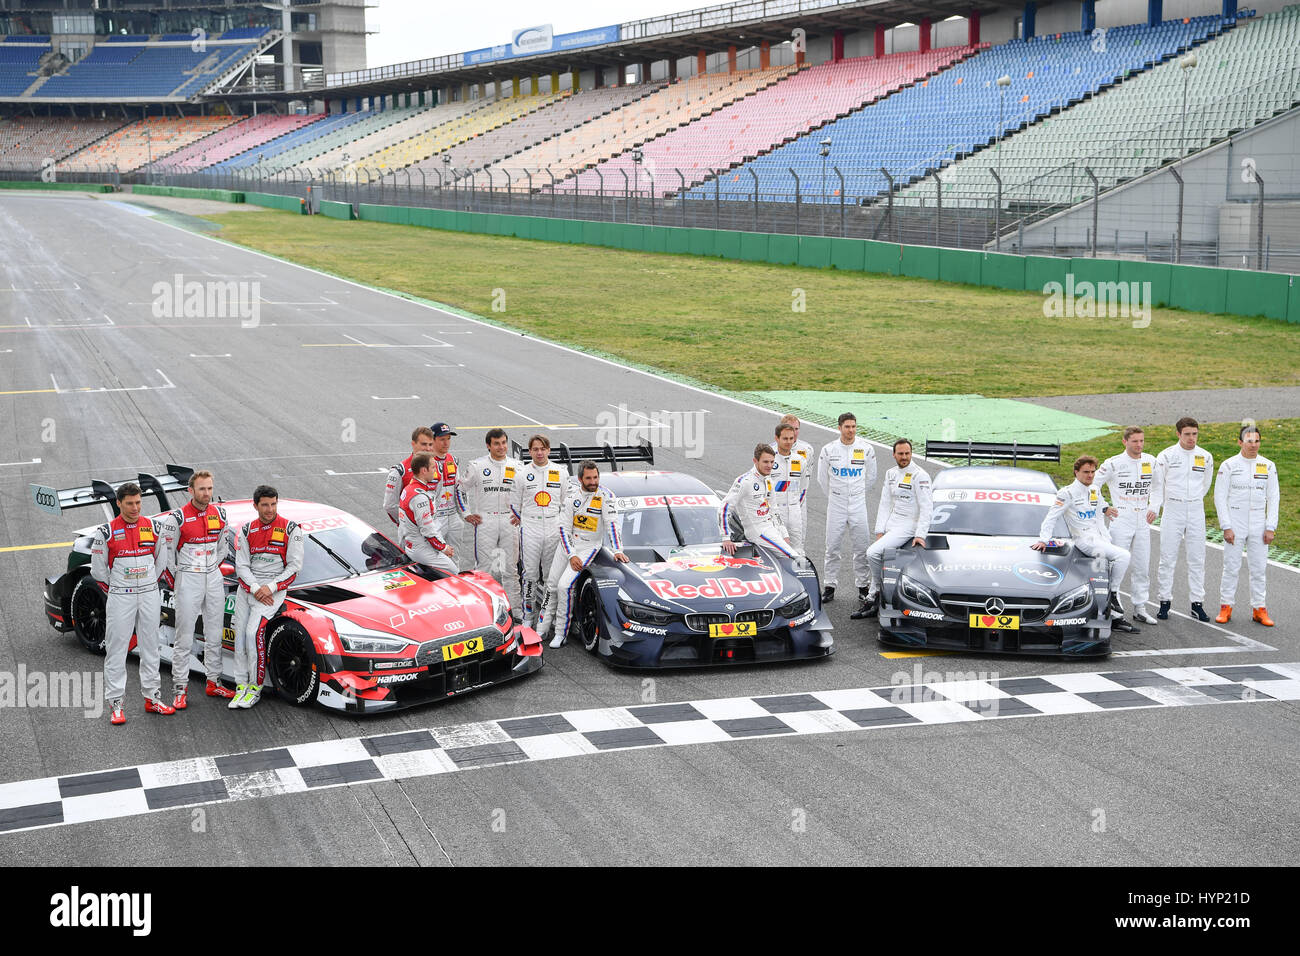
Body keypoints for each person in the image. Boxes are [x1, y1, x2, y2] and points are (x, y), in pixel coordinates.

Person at [90, 483, 172, 724]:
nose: (135, 508)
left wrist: (146, 585)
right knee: (116, 649)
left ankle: (153, 697)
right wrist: (117, 588)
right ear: (118, 503)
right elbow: (98, 571)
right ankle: (116, 704)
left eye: (138, 502)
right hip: (120, 596)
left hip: (149, 594)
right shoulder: (105, 532)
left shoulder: (154, 527)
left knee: (151, 647)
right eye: (129, 503)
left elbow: (161, 562)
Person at [1032, 456, 1136, 632]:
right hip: (1084, 540)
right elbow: (1051, 517)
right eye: (1086, 472)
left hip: (1101, 538)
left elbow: (1100, 508)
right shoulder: (1067, 493)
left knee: (1108, 574)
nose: (1090, 475)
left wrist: (1107, 509)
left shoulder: (1095, 489)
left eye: (1093, 471)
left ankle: (1115, 617)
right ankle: (1114, 595)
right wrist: (1043, 539)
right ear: (1076, 472)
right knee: (1123, 556)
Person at [159, 469, 234, 706]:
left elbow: (223, 548)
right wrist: (176, 579)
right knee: (184, 636)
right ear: (190, 491)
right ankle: (180, 689)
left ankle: (214, 683)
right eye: (202, 489)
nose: (207, 493)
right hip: (188, 578)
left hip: (212, 576)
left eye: (210, 488)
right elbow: (166, 555)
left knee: (214, 634)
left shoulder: (220, 514)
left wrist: (212, 568)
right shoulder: (177, 518)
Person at [538, 461, 628, 648]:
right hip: (567, 546)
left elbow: (612, 524)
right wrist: (571, 554)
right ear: (580, 479)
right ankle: (542, 628)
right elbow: (563, 528)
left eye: (595, 477)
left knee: (564, 586)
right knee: (551, 585)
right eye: (588, 478)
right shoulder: (571, 496)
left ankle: (561, 633)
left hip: (588, 547)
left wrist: (618, 549)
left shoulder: (606, 496)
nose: (593, 481)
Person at [230, 485, 303, 710]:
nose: (270, 509)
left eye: (273, 504)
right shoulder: (246, 530)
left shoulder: (291, 529)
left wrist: (269, 588)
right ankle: (241, 685)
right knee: (240, 636)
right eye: (265, 505)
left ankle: (256, 687)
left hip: (273, 591)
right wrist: (255, 588)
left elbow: (295, 566)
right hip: (249, 590)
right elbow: (240, 566)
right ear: (255, 506)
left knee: (253, 633)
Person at [856, 439, 931, 619]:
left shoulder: (920, 475)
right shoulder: (890, 474)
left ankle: (875, 593)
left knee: (872, 553)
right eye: (900, 454)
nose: (904, 457)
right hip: (892, 523)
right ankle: (876, 597)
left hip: (908, 524)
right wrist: (880, 530)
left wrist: (920, 534)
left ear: (911, 454)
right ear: (894, 454)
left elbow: (927, 507)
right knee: (880, 554)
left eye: (907, 453)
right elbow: (885, 503)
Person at [1213, 424, 1280, 625]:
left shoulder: (1268, 466)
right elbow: (1219, 497)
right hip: (1235, 520)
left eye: (1257, 441)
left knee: (1259, 568)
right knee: (1231, 566)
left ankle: (1259, 608)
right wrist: (1226, 526)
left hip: (1259, 522)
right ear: (1240, 442)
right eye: (1249, 441)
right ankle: (1226, 606)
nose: (1253, 445)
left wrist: (1271, 526)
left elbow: (1274, 497)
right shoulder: (1228, 465)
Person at [1096, 427, 1162, 626]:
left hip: (1143, 518)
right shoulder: (1113, 463)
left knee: (1142, 566)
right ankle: (1112, 609)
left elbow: (1159, 487)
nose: (1139, 445)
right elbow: (1092, 486)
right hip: (1121, 517)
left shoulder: (1151, 461)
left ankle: (1140, 607)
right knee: (1116, 565)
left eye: (1141, 441)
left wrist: (1154, 507)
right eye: (1134, 441)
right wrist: (1104, 507)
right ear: (1125, 442)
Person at [456, 427, 524, 615]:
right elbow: (460, 489)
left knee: (511, 569)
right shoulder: (477, 466)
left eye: (503, 443)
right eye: (496, 443)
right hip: (485, 520)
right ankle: (484, 611)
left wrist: (521, 515)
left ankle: (515, 610)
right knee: (484, 570)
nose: (501, 447)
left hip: (510, 521)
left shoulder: (518, 466)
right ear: (488, 445)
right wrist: (466, 513)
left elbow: (526, 493)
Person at [1155, 418, 1214, 621]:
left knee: (1197, 558)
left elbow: (1206, 483)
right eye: (1187, 434)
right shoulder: (1166, 456)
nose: (1191, 438)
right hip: (1173, 508)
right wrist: (1166, 504)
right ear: (1179, 434)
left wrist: (1193, 500)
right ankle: (1164, 601)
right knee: (1167, 557)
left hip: (1196, 509)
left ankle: (1197, 603)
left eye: (1195, 434)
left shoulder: (1205, 456)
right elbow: (1158, 484)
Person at [816, 412, 876, 603]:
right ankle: (829, 586)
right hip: (837, 502)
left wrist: (856, 494)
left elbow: (871, 478)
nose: (851, 430)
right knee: (832, 546)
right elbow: (822, 479)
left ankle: (863, 586)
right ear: (839, 427)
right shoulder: (828, 450)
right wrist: (836, 496)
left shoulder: (866, 449)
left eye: (853, 426)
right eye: (847, 426)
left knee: (861, 546)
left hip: (858, 503)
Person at [514, 435, 571, 629]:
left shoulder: (560, 472)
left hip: (553, 526)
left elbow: (566, 502)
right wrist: (524, 520)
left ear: (549, 450)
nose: (539, 452)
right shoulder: (521, 474)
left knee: (550, 577)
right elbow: (514, 504)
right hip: (530, 527)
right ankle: (528, 616)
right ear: (530, 451)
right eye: (535, 449)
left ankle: (546, 618)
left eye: (543, 448)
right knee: (530, 574)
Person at [721, 444, 798, 558]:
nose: (769, 466)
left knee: (790, 554)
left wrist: (784, 534)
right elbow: (724, 507)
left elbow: (774, 510)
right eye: (765, 462)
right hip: (757, 531)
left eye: (772, 462)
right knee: (793, 557)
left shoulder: (768, 480)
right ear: (755, 461)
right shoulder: (744, 481)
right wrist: (726, 538)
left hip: (770, 528)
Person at [398, 453, 458, 575]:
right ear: (424, 470)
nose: (435, 472)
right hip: (421, 547)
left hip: (412, 544)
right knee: (454, 572)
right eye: (433, 468)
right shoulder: (419, 497)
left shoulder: (409, 489)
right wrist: (443, 547)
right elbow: (428, 530)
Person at [382, 425, 437, 526]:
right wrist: (409, 523)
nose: (428, 449)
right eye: (424, 444)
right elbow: (390, 506)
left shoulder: (435, 466)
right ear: (413, 444)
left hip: (436, 526)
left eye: (430, 444)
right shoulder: (399, 470)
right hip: (413, 531)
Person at [772, 414, 815, 542]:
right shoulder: (770, 451)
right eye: (791, 429)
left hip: (797, 504)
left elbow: (805, 481)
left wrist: (796, 503)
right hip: (776, 505)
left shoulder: (807, 450)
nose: (794, 433)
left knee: (799, 542)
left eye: (796, 429)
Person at [428, 422, 461, 564]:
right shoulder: (426, 462)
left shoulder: (452, 459)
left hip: (453, 516)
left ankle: (455, 583)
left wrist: (464, 514)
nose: (446, 443)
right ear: (433, 440)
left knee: (455, 557)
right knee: (434, 557)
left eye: (448, 438)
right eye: (442, 439)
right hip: (436, 519)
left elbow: (460, 489)